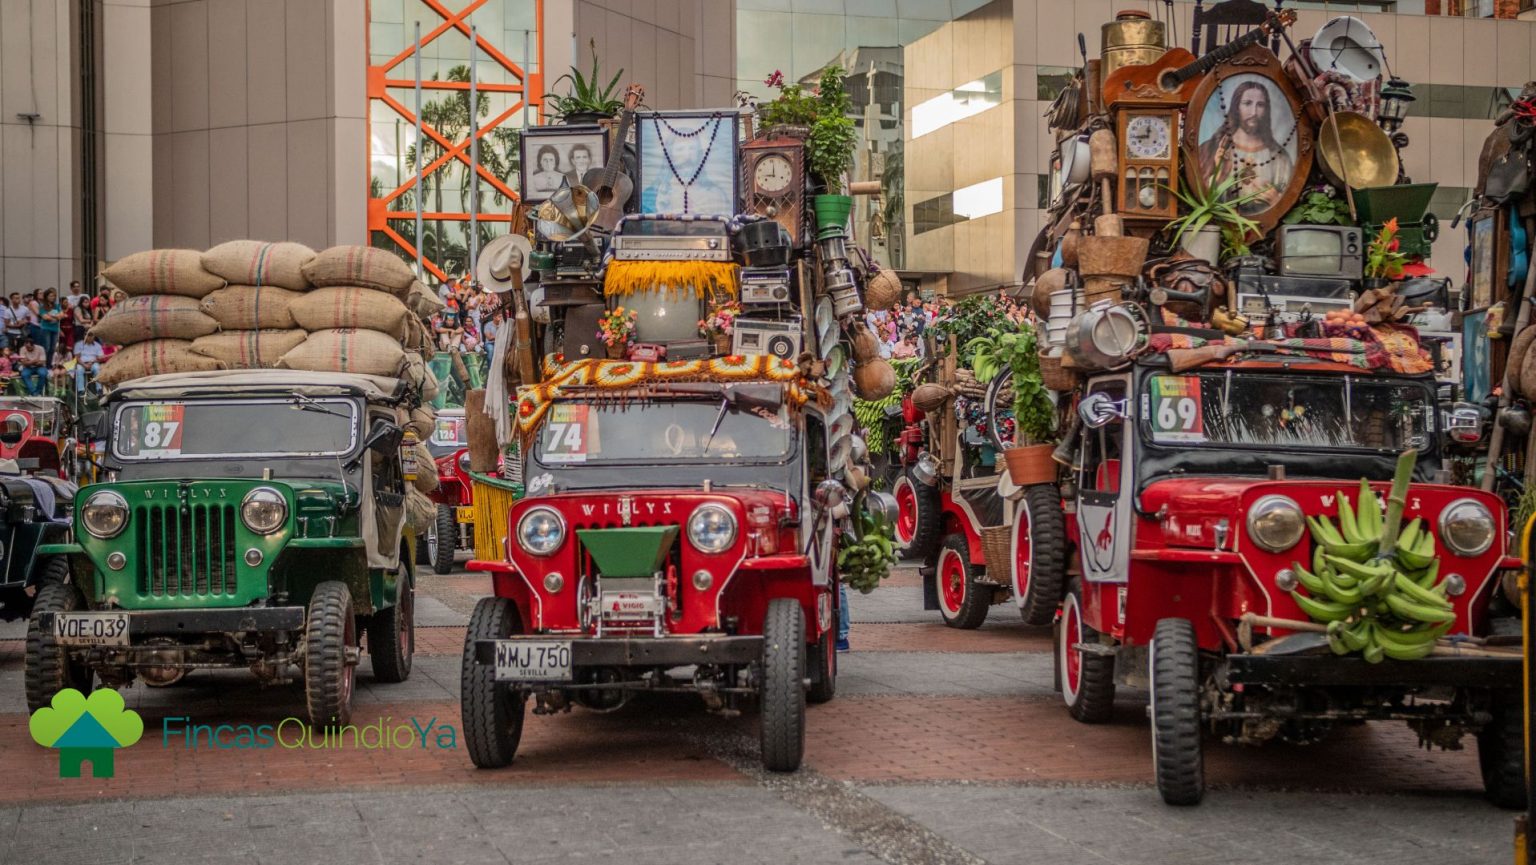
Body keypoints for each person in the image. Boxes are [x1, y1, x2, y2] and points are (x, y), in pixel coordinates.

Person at [1197, 79, 1294, 214]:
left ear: (1266, 110)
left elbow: (1288, 198)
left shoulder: (1279, 158)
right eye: (1247, 103)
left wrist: (1277, 200)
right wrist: (1220, 174)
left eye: (1260, 105)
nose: (1254, 112)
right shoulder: (1211, 149)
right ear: (1236, 107)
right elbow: (1200, 197)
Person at [34, 288, 62, 365]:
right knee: (46, 347)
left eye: (54, 296)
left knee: (53, 348)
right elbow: (45, 317)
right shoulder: (42, 306)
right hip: (46, 329)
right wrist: (55, 316)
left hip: (55, 329)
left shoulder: (57, 306)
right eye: (50, 296)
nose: (52, 297)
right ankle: (44, 363)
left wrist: (51, 315)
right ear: (46, 297)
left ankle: (49, 365)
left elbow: (61, 316)